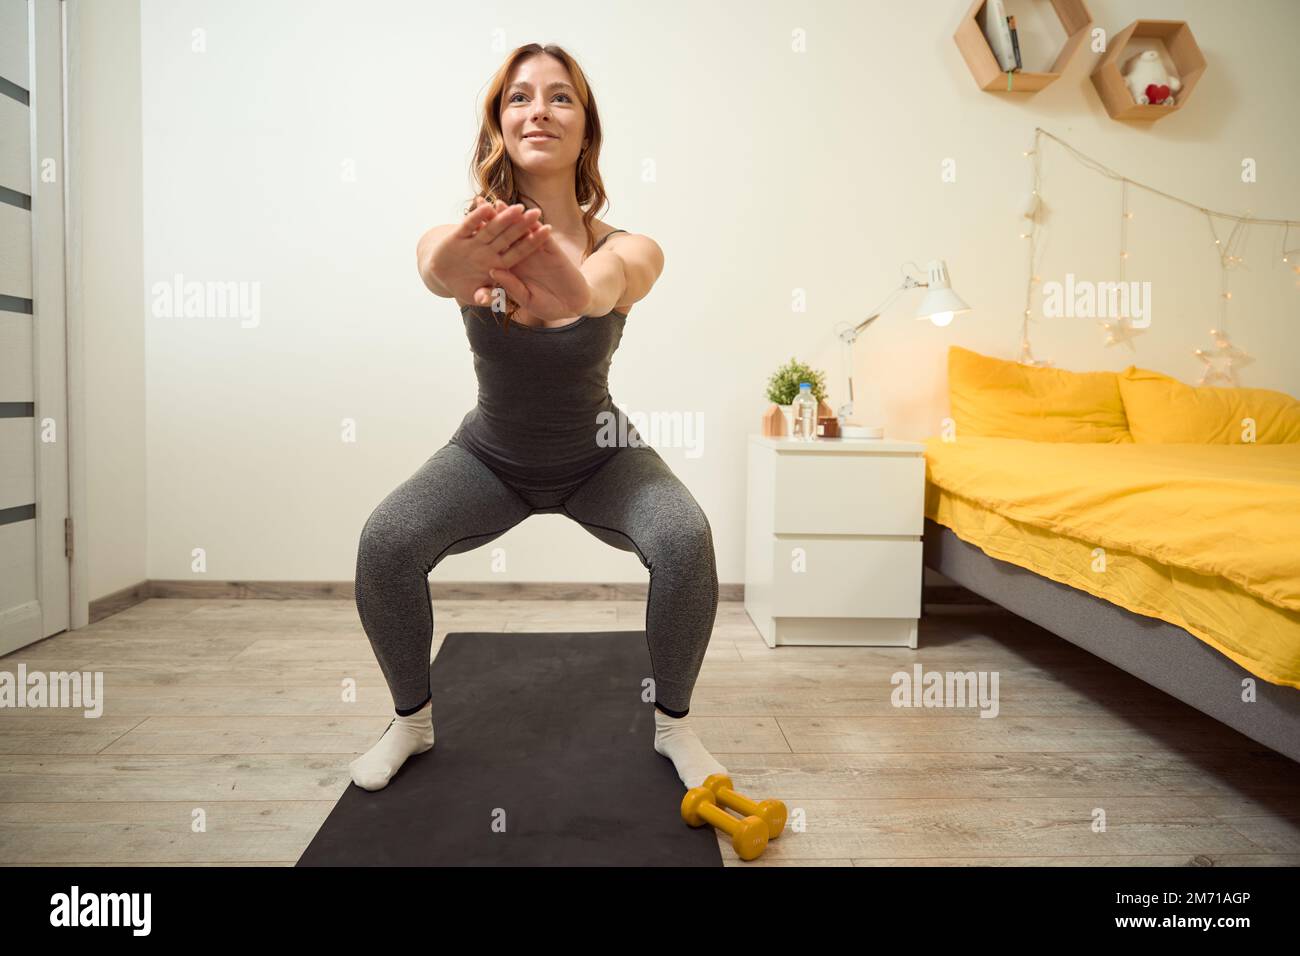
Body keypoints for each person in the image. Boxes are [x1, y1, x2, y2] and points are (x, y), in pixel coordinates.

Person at [349, 43, 725, 793]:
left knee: (685, 539)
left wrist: (577, 290)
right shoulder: (472, 240)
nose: (540, 110)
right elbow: (433, 264)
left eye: (561, 97)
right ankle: (411, 723)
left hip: (600, 457)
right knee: (386, 542)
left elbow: (614, 278)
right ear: (498, 124)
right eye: (519, 97)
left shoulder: (627, 247)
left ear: (586, 130)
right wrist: (453, 270)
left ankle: (677, 729)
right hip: (491, 457)